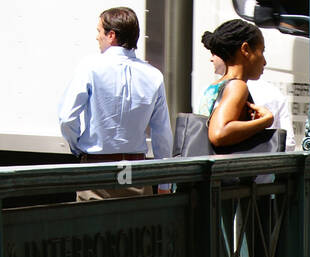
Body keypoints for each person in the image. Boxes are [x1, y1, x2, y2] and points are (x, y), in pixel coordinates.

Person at [59, 7, 172, 200]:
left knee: (93, 228)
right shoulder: (154, 76)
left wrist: (77, 148)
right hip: (136, 173)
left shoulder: (90, 67)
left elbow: (67, 118)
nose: (97, 37)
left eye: (99, 31)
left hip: (96, 170)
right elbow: (162, 134)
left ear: (111, 35)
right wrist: (164, 184)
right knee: (136, 229)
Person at [200, 20, 276, 154]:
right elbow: (219, 133)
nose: (264, 62)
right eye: (261, 51)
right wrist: (266, 121)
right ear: (245, 49)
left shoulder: (215, 86)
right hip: (225, 172)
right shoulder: (238, 86)